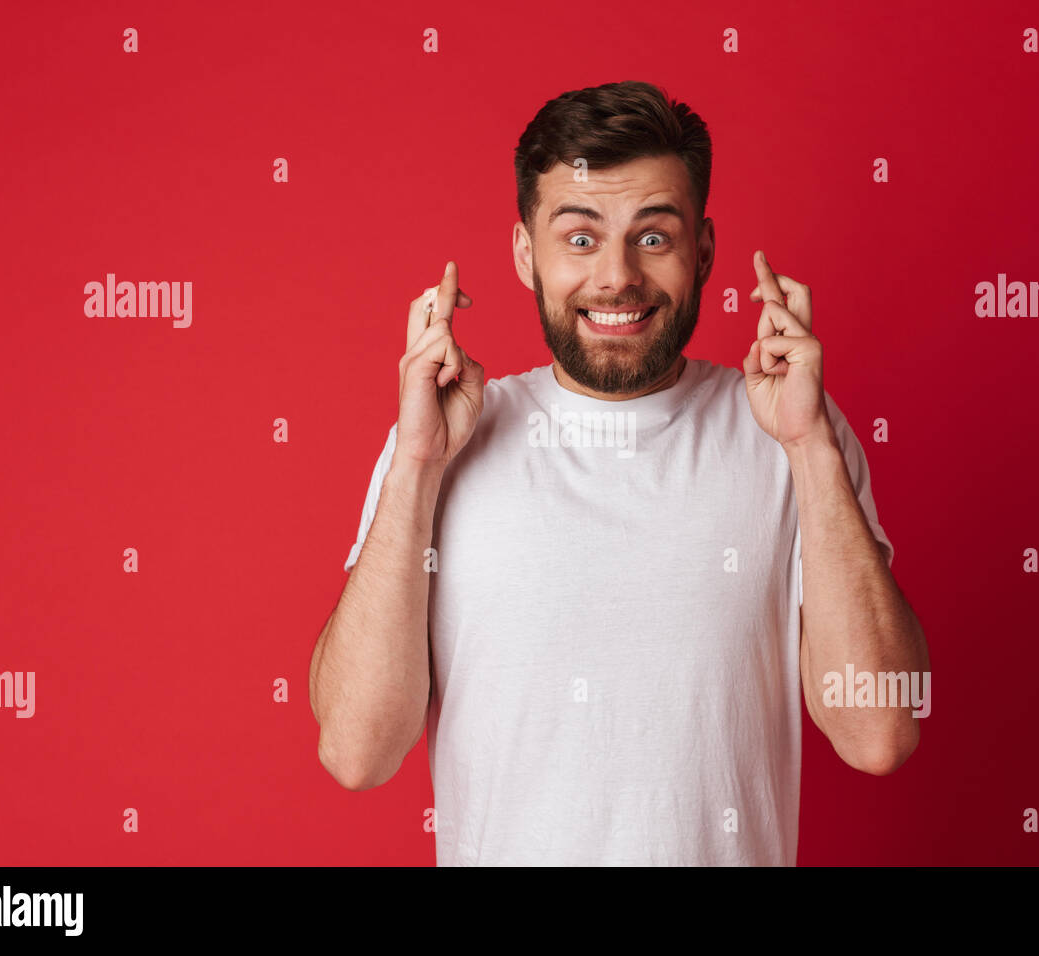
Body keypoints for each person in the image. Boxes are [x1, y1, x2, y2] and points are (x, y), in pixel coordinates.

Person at [309, 80, 930, 866]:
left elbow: (880, 733)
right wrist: (417, 464)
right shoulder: (437, 443)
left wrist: (809, 446)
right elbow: (356, 753)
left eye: (653, 237)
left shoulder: (791, 431)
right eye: (579, 239)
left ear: (703, 251)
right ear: (524, 255)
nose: (616, 278)